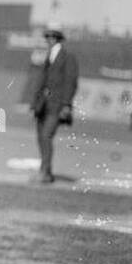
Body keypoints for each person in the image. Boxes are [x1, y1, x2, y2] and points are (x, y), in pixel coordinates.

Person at [30, 22, 79, 184]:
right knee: (40, 137)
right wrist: (34, 103)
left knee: (46, 136)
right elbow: (41, 81)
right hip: (42, 104)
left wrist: (66, 105)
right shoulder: (48, 57)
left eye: (53, 36)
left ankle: (44, 172)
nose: (50, 39)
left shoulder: (68, 57)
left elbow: (71, 82)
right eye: (48, 36)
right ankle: (47, 172)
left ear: (58, 39)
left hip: (56, 106)